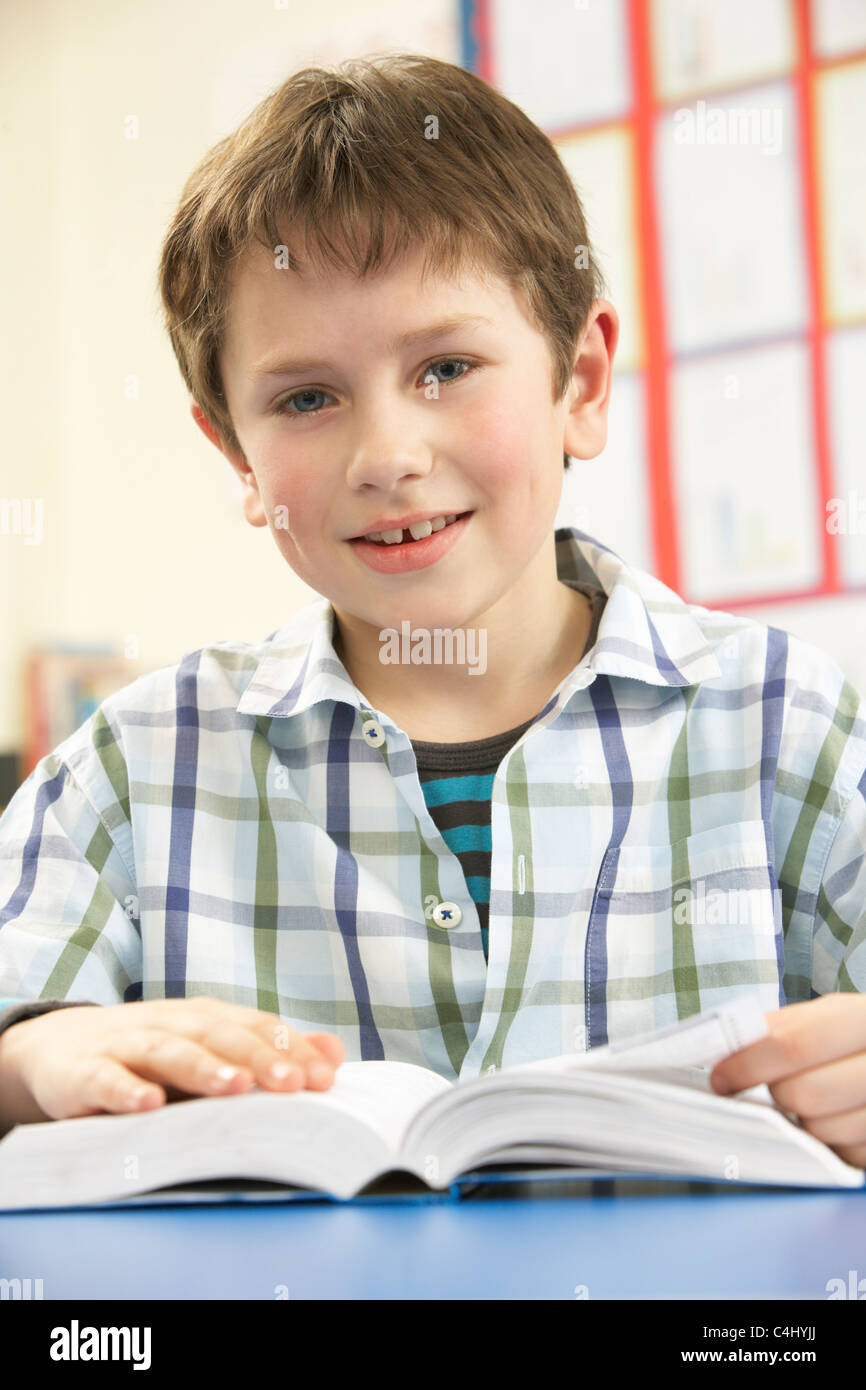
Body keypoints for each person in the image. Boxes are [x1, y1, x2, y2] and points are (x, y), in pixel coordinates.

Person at [1, 54, 865, 1169]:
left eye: (445, 366)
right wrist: (35, 1058)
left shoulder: (783, 722)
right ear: (238, 454)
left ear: (581, 382)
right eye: (305, 397)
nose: (389, 457)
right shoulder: (133, 767)